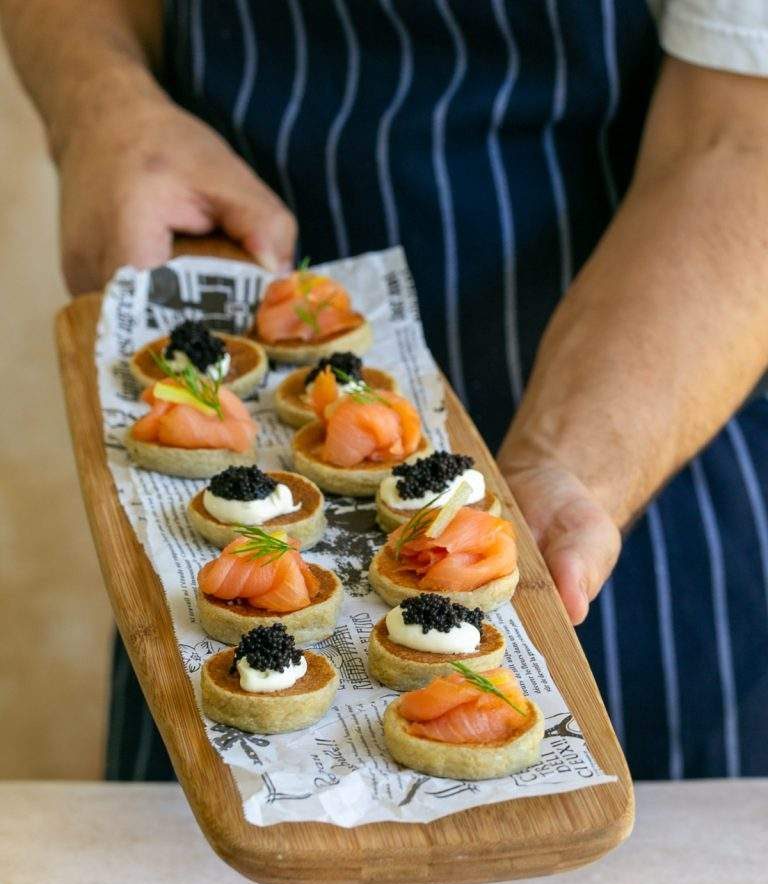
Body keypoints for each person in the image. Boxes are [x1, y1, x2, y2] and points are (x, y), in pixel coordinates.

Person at [3, 0, 766, 780]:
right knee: (204, 863)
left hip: (639, 413)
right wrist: (102, 103)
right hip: (237, 262)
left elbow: (739, 144)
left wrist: (570, 465)